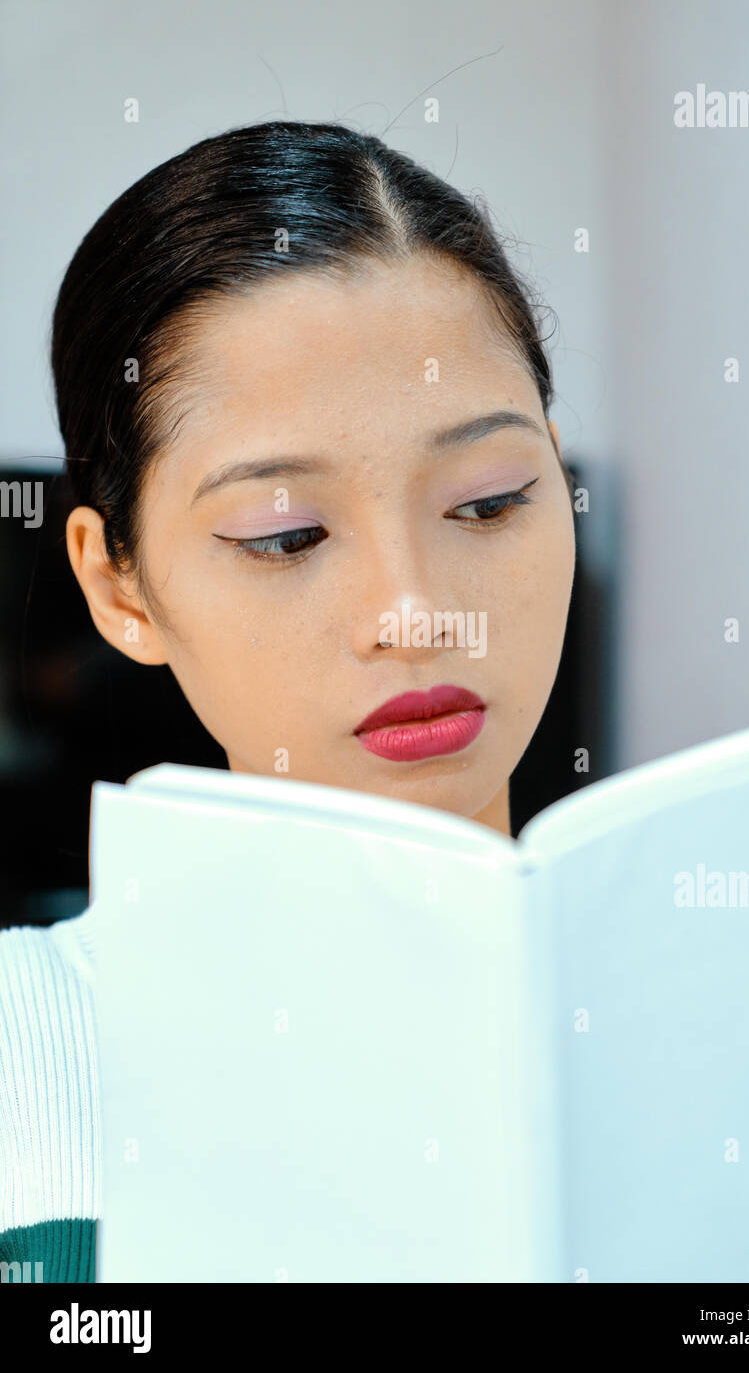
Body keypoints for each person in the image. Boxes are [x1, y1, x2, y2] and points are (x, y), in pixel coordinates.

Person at [0, 120, 576, 1281]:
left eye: (489, 501)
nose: (414, 613)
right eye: (287, 533)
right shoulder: (25, 1053)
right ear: (120, 587)